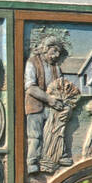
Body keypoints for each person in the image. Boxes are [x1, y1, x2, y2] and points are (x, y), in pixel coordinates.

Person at [24, 36, 67, 175]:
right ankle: (32, 163)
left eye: (58, 53)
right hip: (35, 105)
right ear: (45, 49)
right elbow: (30, 88)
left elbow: (60, 87)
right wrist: (49, 99)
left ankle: (54, 158)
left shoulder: (56, 68)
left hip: (51, 108)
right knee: (35, 136)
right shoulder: (32, 63)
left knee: (54, 133)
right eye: (54, 52)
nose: (56, 56)